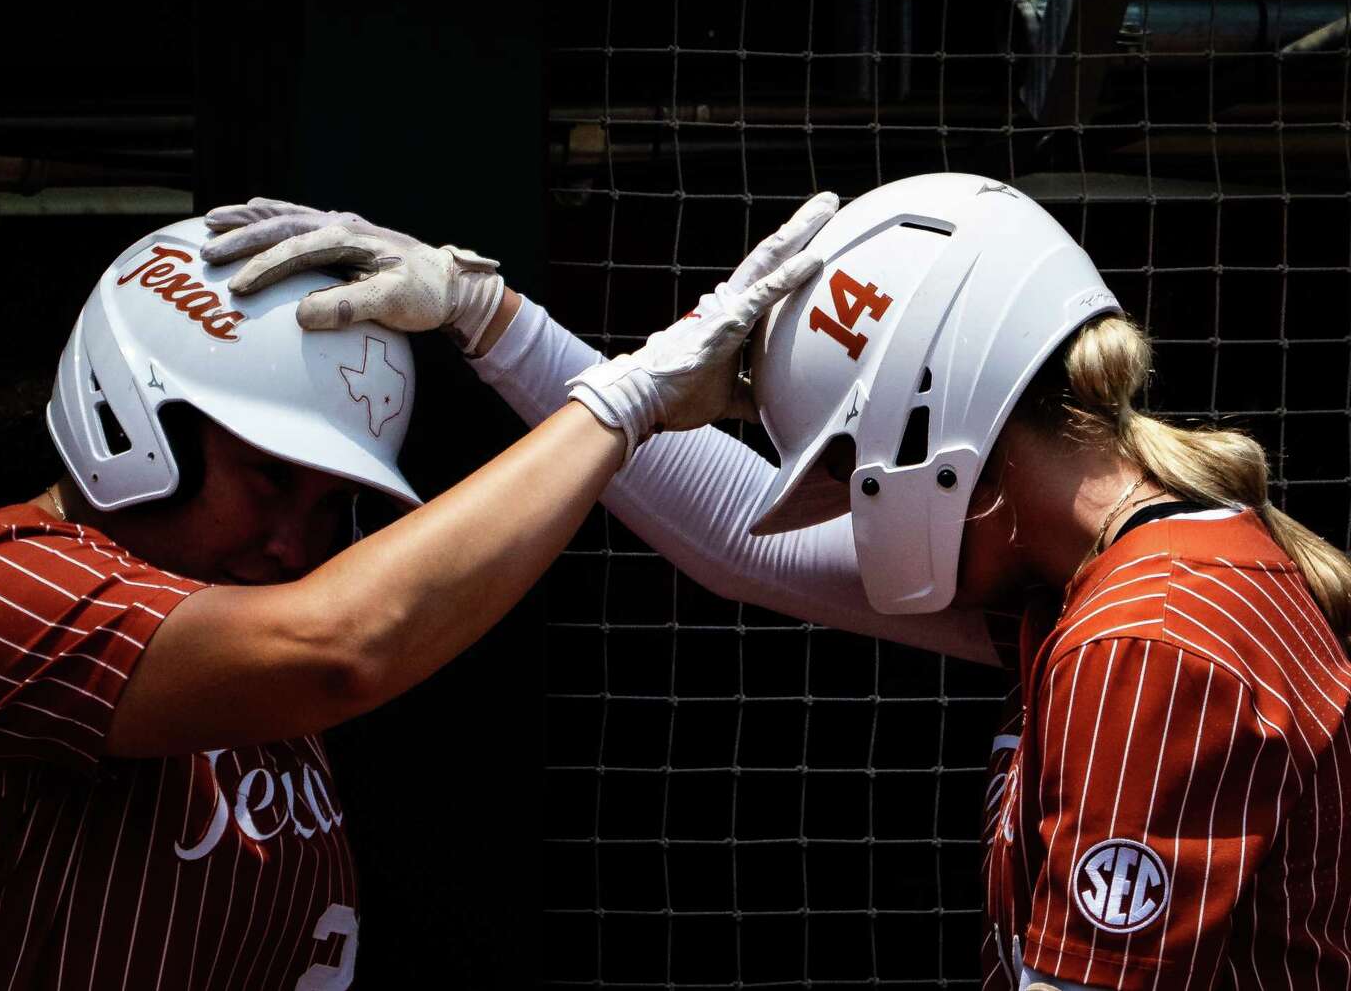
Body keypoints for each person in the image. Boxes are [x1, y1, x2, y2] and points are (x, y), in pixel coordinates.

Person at [208, 173, 1351, 991]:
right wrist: (488, 313)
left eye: (850, 462)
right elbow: (739, 541)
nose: (855, 499)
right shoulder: (1128, 579)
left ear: (938, 415)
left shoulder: (1142, 636)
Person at [0, 205, 825, 988]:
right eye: (270, 479)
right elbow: (340, 647)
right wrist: (627, 399)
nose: (295, 546)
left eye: (332, 507)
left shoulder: (235, 609)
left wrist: (491, 312)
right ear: (138, 416)